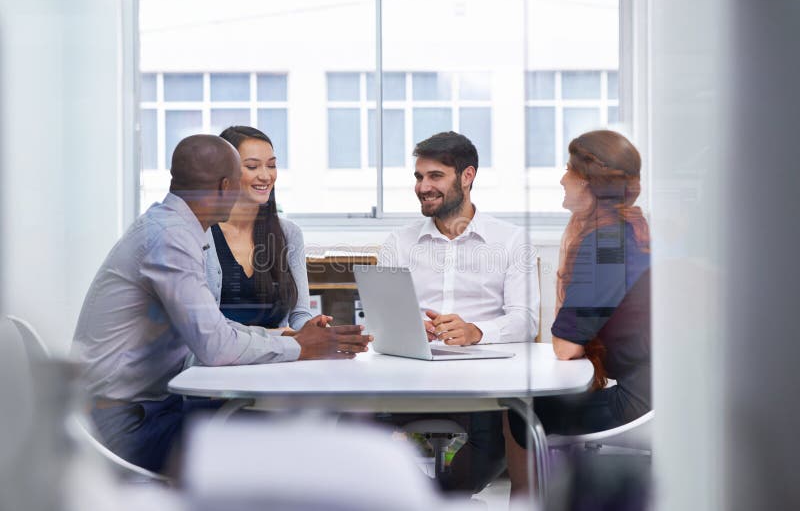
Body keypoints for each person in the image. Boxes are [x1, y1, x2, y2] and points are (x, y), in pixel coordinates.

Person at [71, 134, 371, 473]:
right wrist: (299, 347)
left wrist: (291, 338)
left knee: (287, 426)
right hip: (125, 424)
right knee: (286, 443)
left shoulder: (172, 226)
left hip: (149, 407)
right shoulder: (171, 238)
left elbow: (213, 326)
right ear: (226, 186)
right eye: (247, 171)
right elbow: (214, 345)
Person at [378, 131, 539, 494]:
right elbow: (380, 322)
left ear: (467, 176)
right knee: (351, 426)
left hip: (480, 384)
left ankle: (425, 499)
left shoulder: (512, 240)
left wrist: (476, 332)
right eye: (419, 177)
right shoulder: (398, 242)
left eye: (435, 176)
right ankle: (412, 496)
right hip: (408, 379)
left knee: (486, 456)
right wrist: (405, 328)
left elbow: (525, 321)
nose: (423, 187)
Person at [505, 129, 651, 494]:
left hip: (637, 403)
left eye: (569, 169)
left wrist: (569, 249)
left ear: (588, 182)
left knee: (521, 413)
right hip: (655, 392)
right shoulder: (626, 229)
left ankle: (526, 504)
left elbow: (566, 346)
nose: (562, 179)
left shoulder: (605, 243)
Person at [208, 125, 311, 331]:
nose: (266, 176)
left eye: (271, 165)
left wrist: (314, 328)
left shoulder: (289, 233)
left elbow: (299, 314)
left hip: (279, 351)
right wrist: (276, 336)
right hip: (219, 353)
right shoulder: (200, 234)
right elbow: (204, 325)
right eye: (252, 166)